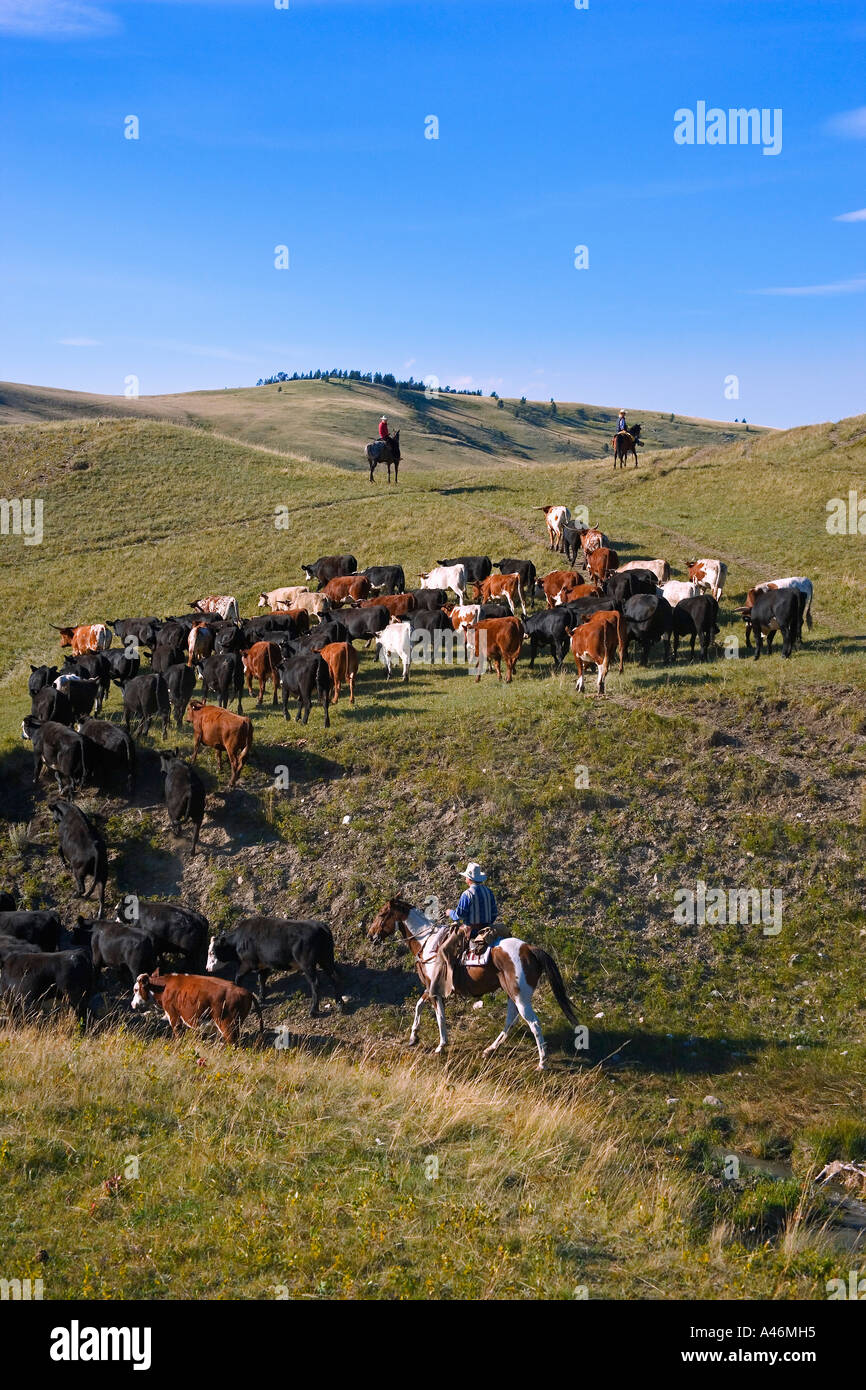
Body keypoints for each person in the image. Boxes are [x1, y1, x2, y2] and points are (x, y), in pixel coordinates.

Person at [429, 863, 499, 999]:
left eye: (466, 877)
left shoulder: (467, 894)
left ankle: (442, 985)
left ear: (469, 879)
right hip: (488, 929)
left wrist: (450, 912)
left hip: (471, 931)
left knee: (444, 950)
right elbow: (494, 913)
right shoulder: (488, 892)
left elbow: (459, 916)